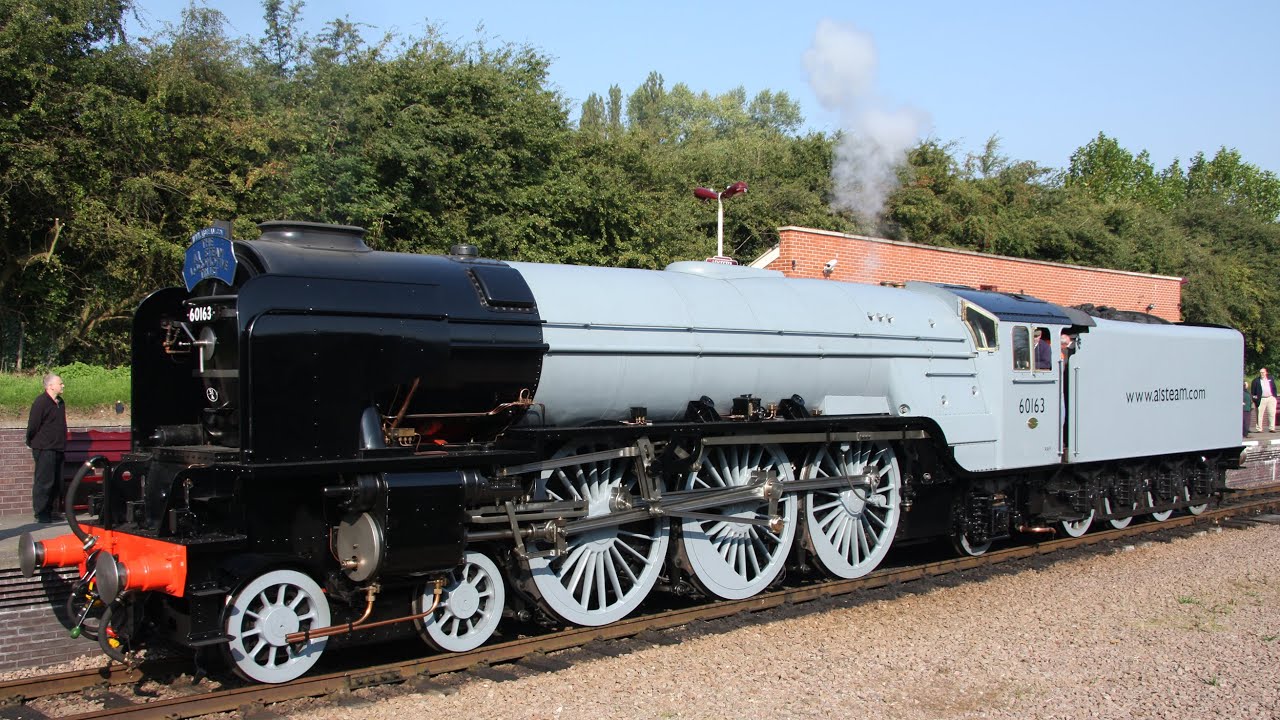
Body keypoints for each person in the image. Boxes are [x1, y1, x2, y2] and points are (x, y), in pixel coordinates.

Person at [25, 373, 67, 524]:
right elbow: (33, 425)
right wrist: (31, 441)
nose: (63, 386)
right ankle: (41, 512)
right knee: (44, 481)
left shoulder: (60, 402)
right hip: (44, 448)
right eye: (60, 383)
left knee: (56, 481)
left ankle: (52, 510)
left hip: (58, 447)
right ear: (51, 386)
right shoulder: (41, 402)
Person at [1252, 368, 1277, 434]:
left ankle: (1272, 428)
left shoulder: (1270, 378)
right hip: (1261, 399)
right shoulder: (1256, 381)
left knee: (1272, 413)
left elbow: (1274, 387)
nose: (1262, 374)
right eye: (1260, 372)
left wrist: (1274, 397)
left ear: (1266, 372)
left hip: (1270, 398)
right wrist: (1255, 399)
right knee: (1259, 414)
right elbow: (1253, 392)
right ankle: (1259, 429)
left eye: (1263, 372)